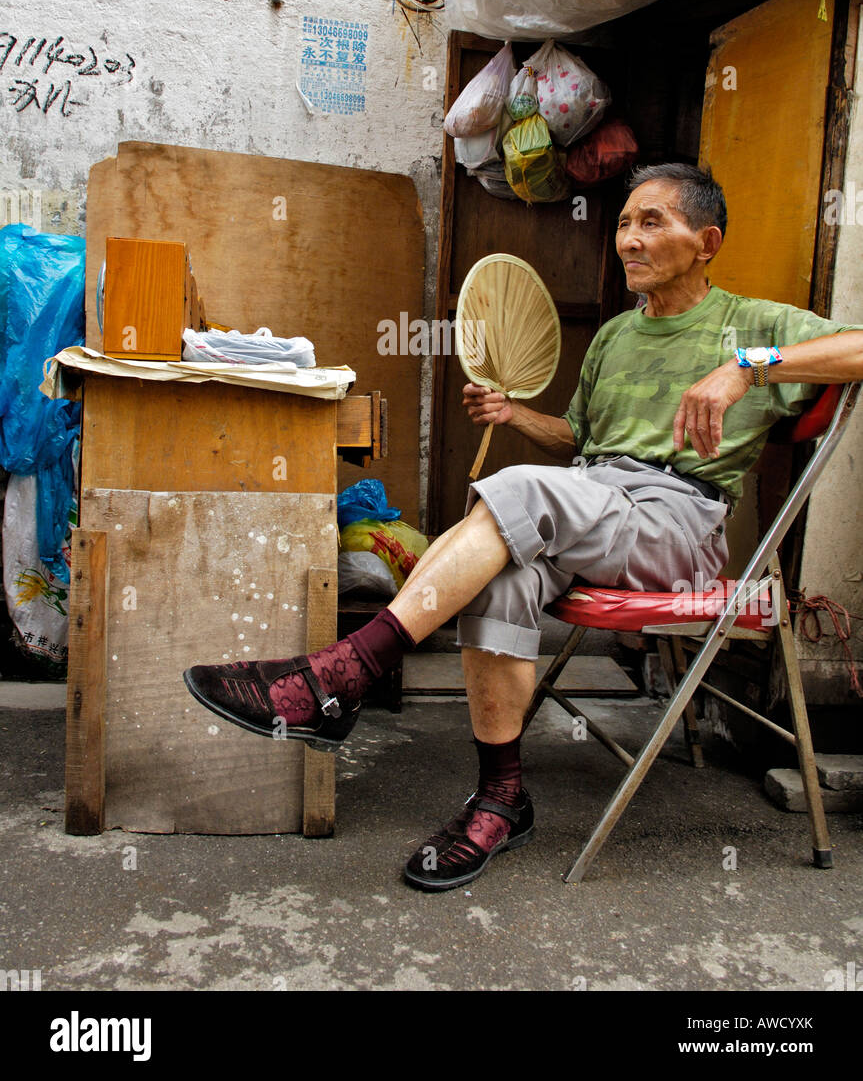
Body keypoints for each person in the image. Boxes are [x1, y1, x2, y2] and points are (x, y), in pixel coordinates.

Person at [184, 162, 863, 891]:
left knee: (517, 494)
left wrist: (746, 369)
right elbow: (578, 441)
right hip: (591, 502)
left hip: (675, 525)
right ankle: (501, 798)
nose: (627, 239)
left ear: (706, 241)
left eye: (650, 222)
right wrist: (514, 418)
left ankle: (340, 673)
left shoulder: (751, 323)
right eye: (624, 223)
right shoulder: (611, 339)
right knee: (503, 576)